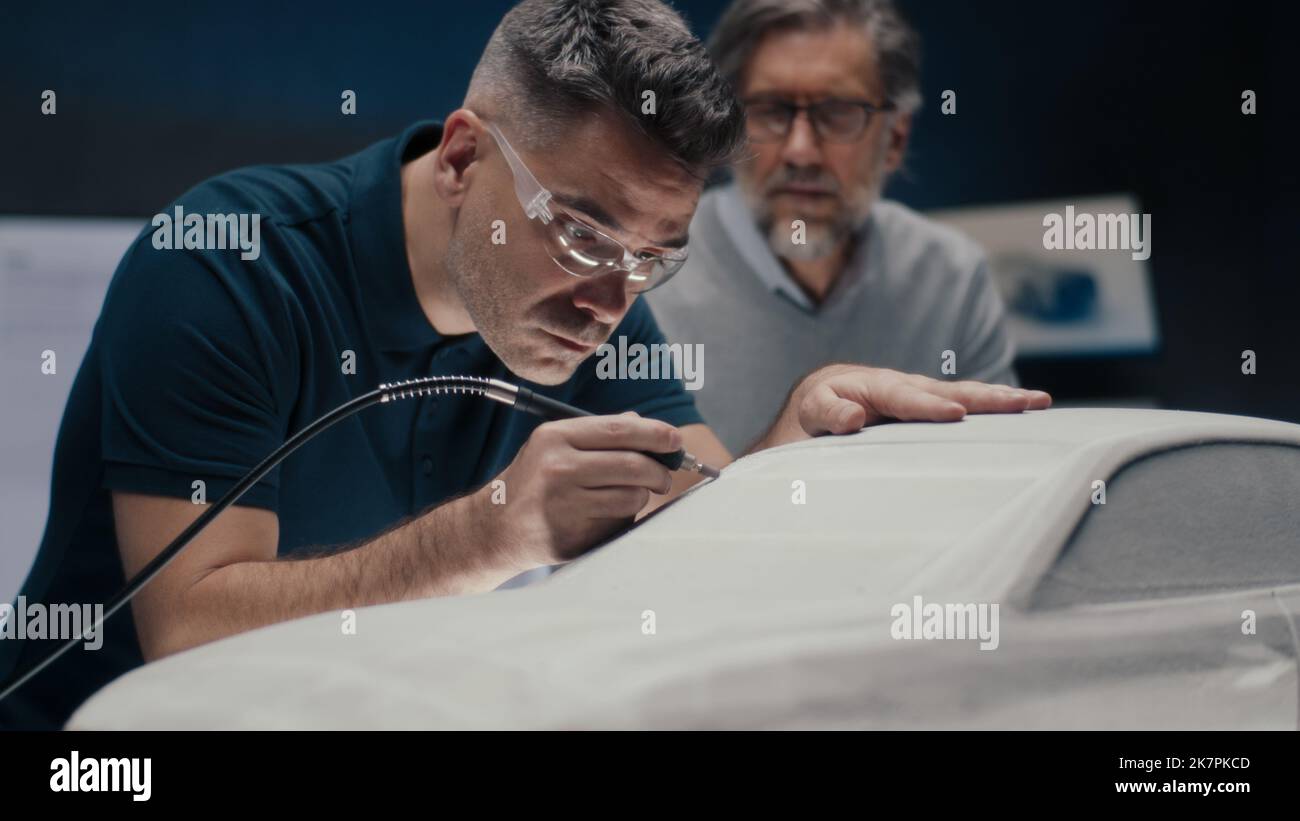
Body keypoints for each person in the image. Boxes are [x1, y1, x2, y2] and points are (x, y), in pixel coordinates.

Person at [0, 0, 1048, 729]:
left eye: (655, 254)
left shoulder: (597, 302)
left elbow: (699, 517)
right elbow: (186, 630)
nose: (611, 299)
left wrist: (791, 443)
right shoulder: (233, 263)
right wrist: (490, 531)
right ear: (461, 157)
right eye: (584, 234)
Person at [647, 0, 1020, 453]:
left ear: (895, 140)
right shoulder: (648, 270)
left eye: (839, 113)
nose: (801, 151)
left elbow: (996, 469)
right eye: (771, 111)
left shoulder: (953, 276)